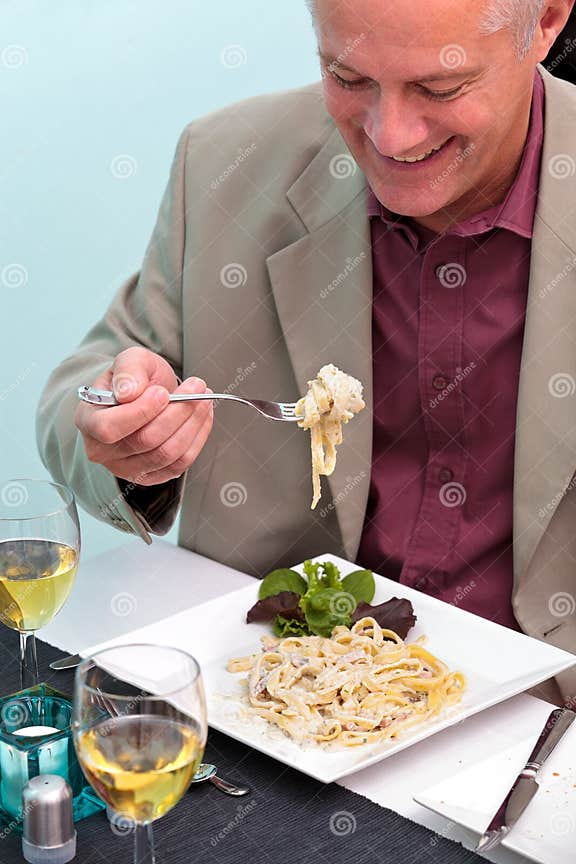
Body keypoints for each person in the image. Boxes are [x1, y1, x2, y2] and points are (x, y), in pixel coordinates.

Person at [37, 0, 576, 704]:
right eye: (346, 77)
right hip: (272, 695)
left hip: (546, 718)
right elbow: (78, 395)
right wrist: (127, 438)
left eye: (440, 89)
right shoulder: (224, 160)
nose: (391, 135)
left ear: (547, 22)